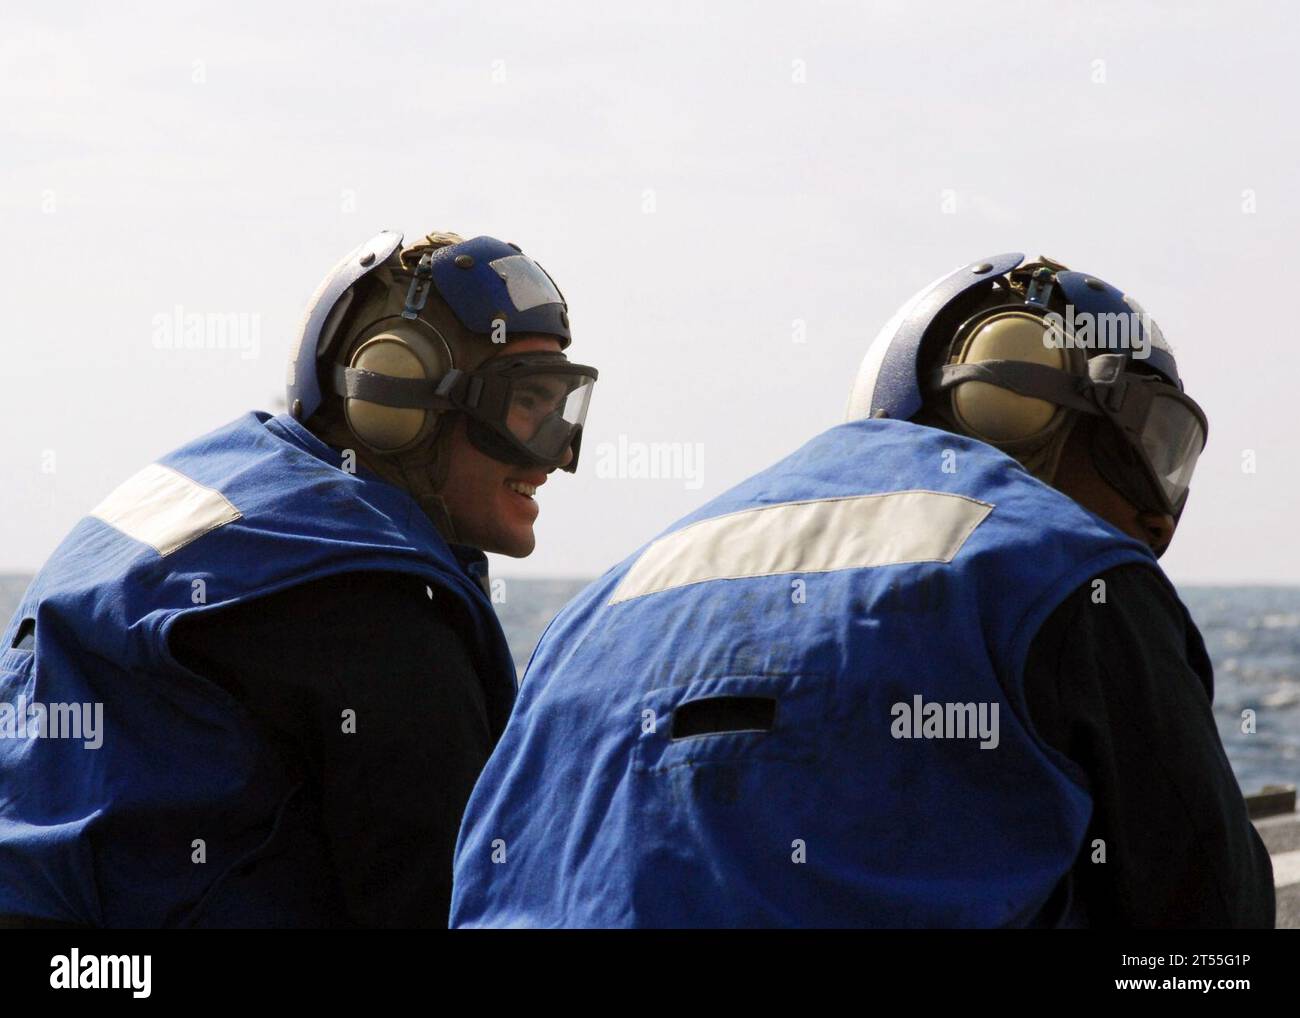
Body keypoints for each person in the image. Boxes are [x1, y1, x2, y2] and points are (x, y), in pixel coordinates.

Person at [450, 253, 1274, 928]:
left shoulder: (601, 604)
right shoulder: (1067, 574)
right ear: (1022, 413)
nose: (1154, 517)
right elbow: (1211, 931)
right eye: (1150, 449)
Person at [0, 229, 597, 928]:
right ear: (395, 398)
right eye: (526, 405)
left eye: (563, 408)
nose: (555, 455)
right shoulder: (376, 616)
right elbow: (449, 909)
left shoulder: (198, 499)